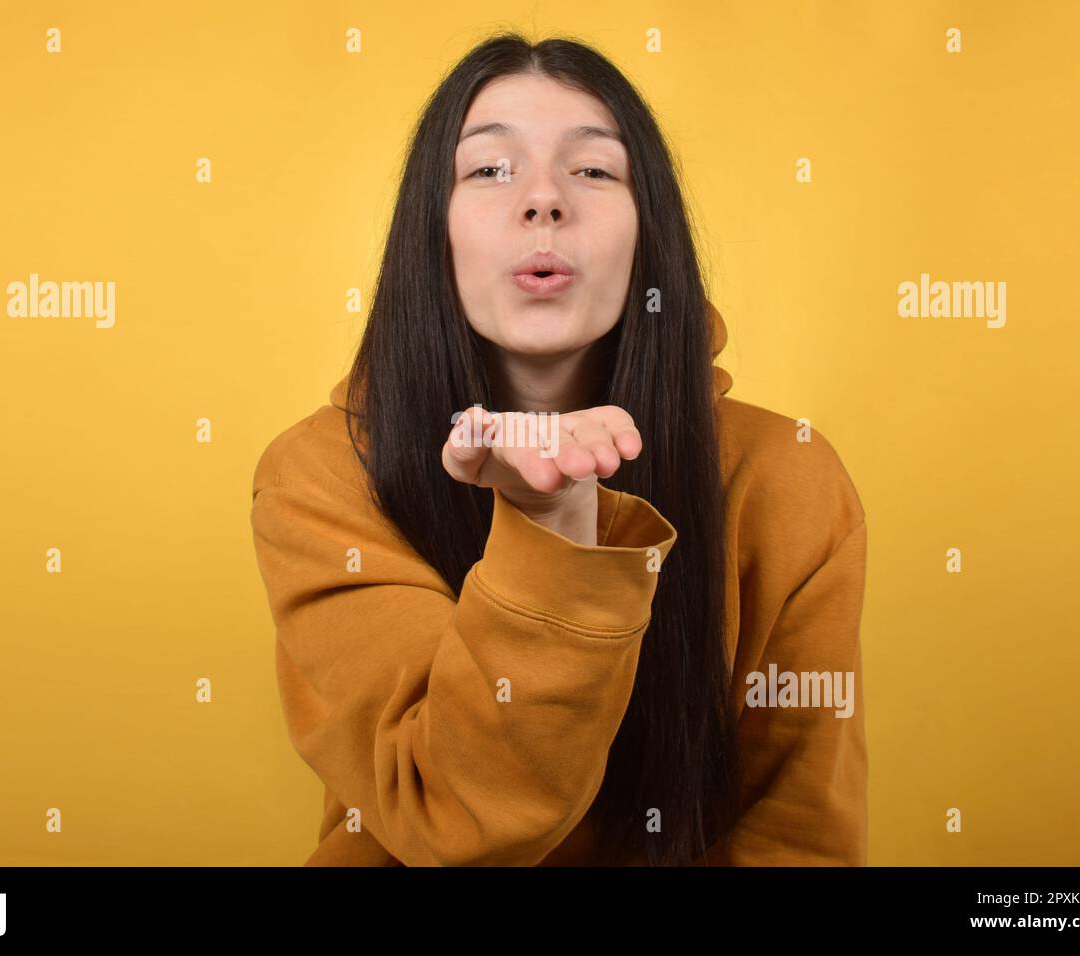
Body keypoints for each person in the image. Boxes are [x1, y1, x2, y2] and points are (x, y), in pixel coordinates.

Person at [250, 33, 867, 866]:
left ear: (651, 235)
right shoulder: (319, 477)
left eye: (594, 170)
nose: (543, 201)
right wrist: (548, 524)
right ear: (433, 235)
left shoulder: (788, 475)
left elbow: (798, 837)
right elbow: (461, 821)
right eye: (490, 169)